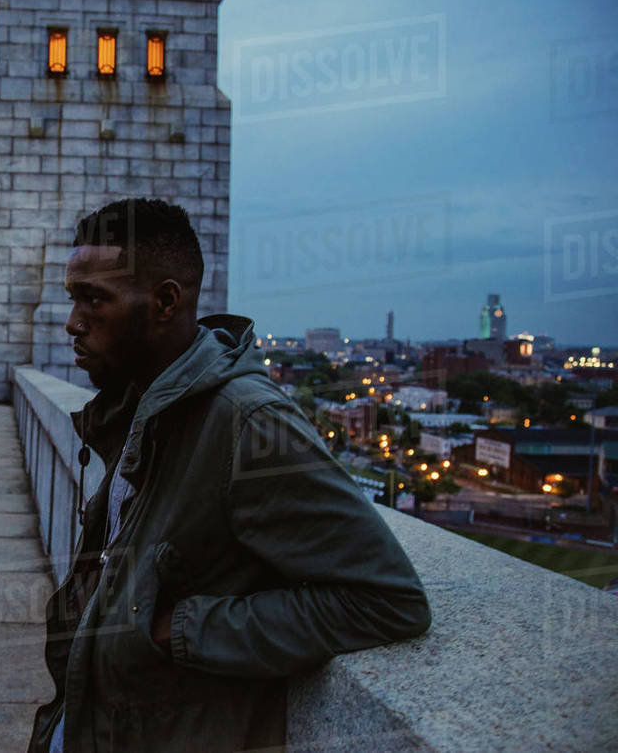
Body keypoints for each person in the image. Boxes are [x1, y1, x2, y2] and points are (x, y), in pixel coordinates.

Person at [27, 198, 431, 753]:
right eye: (73, 298)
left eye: (94, 300)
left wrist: (182, 627)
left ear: (166, 301)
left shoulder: (248, 421)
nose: (73, 323)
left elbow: (387, 601)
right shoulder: (141, 405)